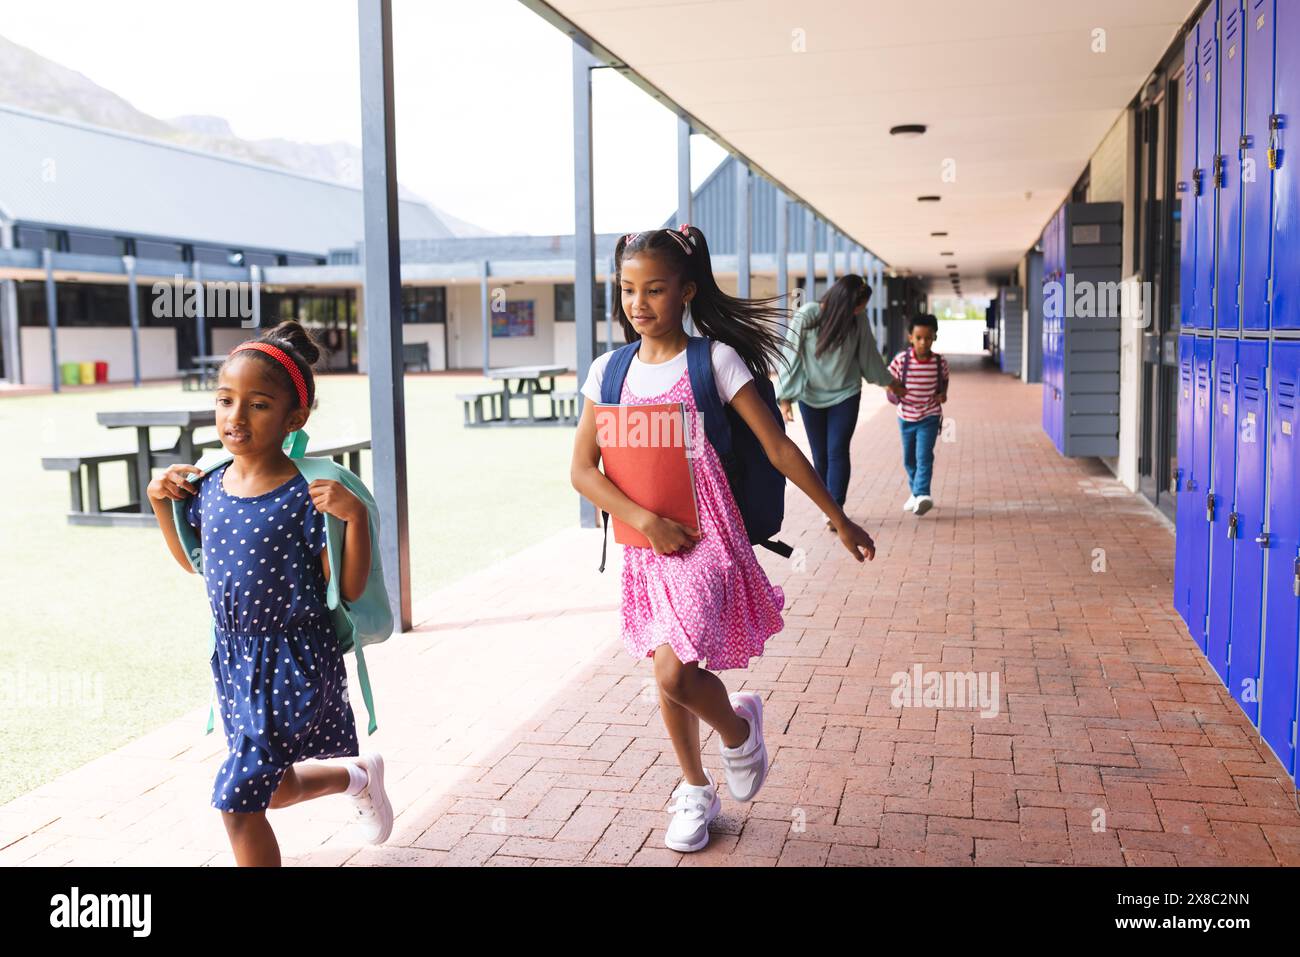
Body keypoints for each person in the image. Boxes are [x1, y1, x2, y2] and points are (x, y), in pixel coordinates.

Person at [570, 225, 877, 853]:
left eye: (655, 289)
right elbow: (581, 470)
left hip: (708, 535)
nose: (639, 304)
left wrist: (836, 516)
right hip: (644, 543)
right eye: (628, 290)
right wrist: (645, 521)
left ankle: (738, 732)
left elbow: (778, 446)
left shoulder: (713, 360)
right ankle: (694, 788)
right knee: (667, 671)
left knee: (676, 671)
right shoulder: (607, 373)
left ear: (685, 291)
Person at [147, 320, 392, 866]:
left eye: (257, 404)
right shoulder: (207, 485)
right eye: (225, 400)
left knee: (237, 804)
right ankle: (357, 776)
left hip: (294, 660)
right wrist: (162, 503)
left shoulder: (310, 492)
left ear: (293, 418)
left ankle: (353, 776)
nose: (235, 417)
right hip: (234, 662)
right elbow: (196, 564)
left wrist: (353, 519)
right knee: (272, 789)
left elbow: (347, 590)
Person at [775, 274, 893, 531]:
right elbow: (790, 355)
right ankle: (829, 507)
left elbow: (869, 353)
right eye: (859, 305)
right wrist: (784, 399)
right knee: (820, 455)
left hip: (846, 393)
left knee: (837, 449)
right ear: (845, 301)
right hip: (811, 396)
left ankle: (836, 510)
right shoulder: (808, 315)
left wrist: (889, 382)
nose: (861, 310)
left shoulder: (857, 319)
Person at [887, 313, 950, 516]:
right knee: (909, 459)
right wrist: (895, 390)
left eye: (928, 338)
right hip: (905, 416)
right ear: (910, 337)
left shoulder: (939, 362)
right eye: (919, 338)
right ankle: (915, 493)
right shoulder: (901, 360)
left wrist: (943, 394)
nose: (923, 342)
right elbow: (887, 380)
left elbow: (945, 381)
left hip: (929, 416)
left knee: (923, 456)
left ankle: (923, 493)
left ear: (935, 338)